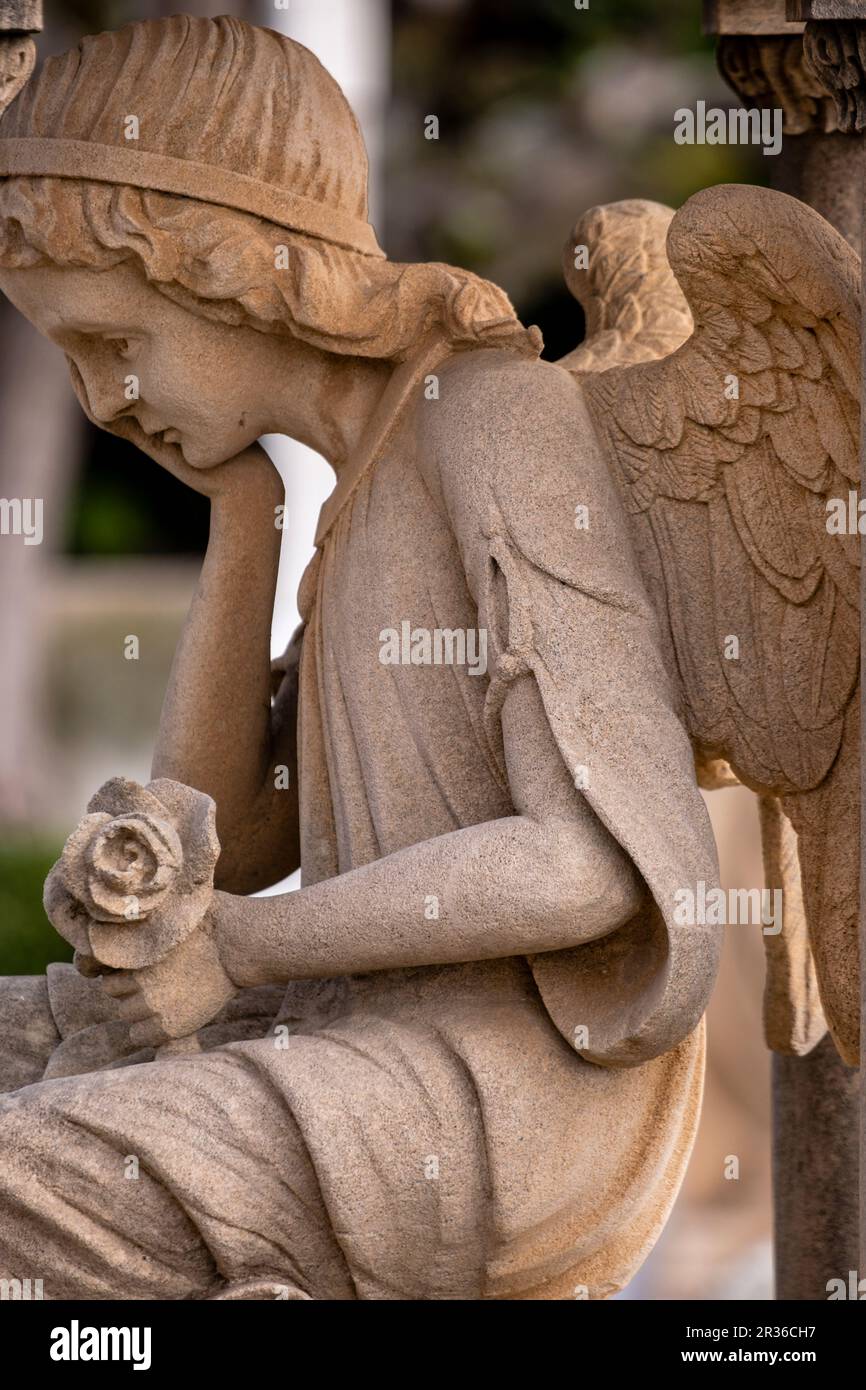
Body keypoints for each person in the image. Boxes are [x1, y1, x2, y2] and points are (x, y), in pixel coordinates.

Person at [0, 15, 719, 1300]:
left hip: (489, 1104)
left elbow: (592, 863)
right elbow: (227, 835)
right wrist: (244, 515)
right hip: (350, 1042)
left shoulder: (493, 420)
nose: (102, 402)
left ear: (232, 272)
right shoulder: (355, 480)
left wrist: (244, 950)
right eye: (69, 360)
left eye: (114, 342)